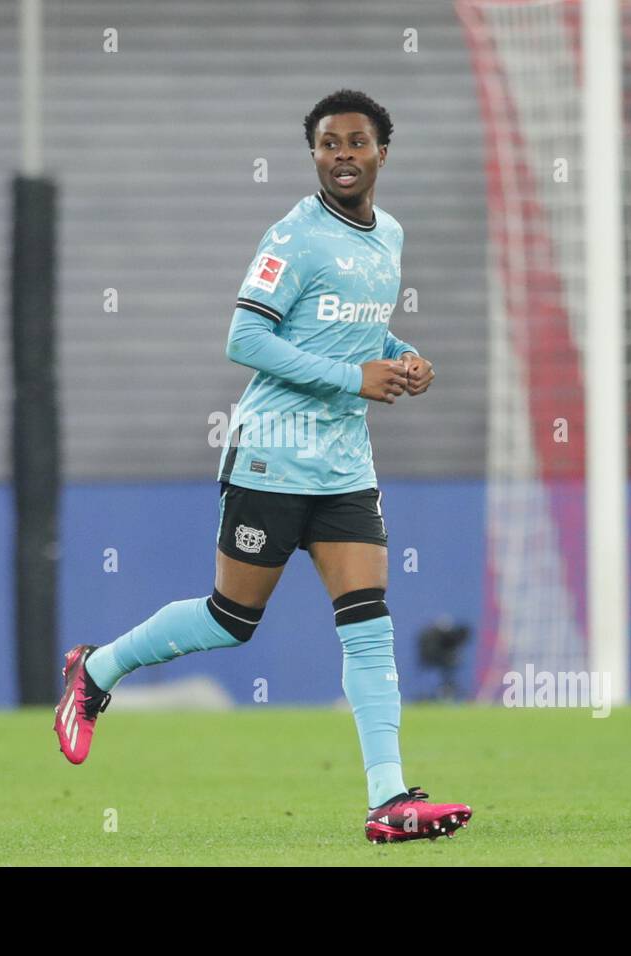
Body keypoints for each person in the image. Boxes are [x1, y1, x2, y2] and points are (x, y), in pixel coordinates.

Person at [53, 89, 471, 843]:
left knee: (368, 624)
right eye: (328, 144)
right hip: (273, 455)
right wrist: (356, 380)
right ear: (313, 154)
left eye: (357, 142)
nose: (343, 154)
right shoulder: (295, 235)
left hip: (344, 465)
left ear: (383, 151)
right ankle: (96, 670)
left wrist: (396, 356)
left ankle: (389, 800)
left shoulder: (390, 236)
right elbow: (245, 339)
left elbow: (354, 329)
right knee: (230, 619)